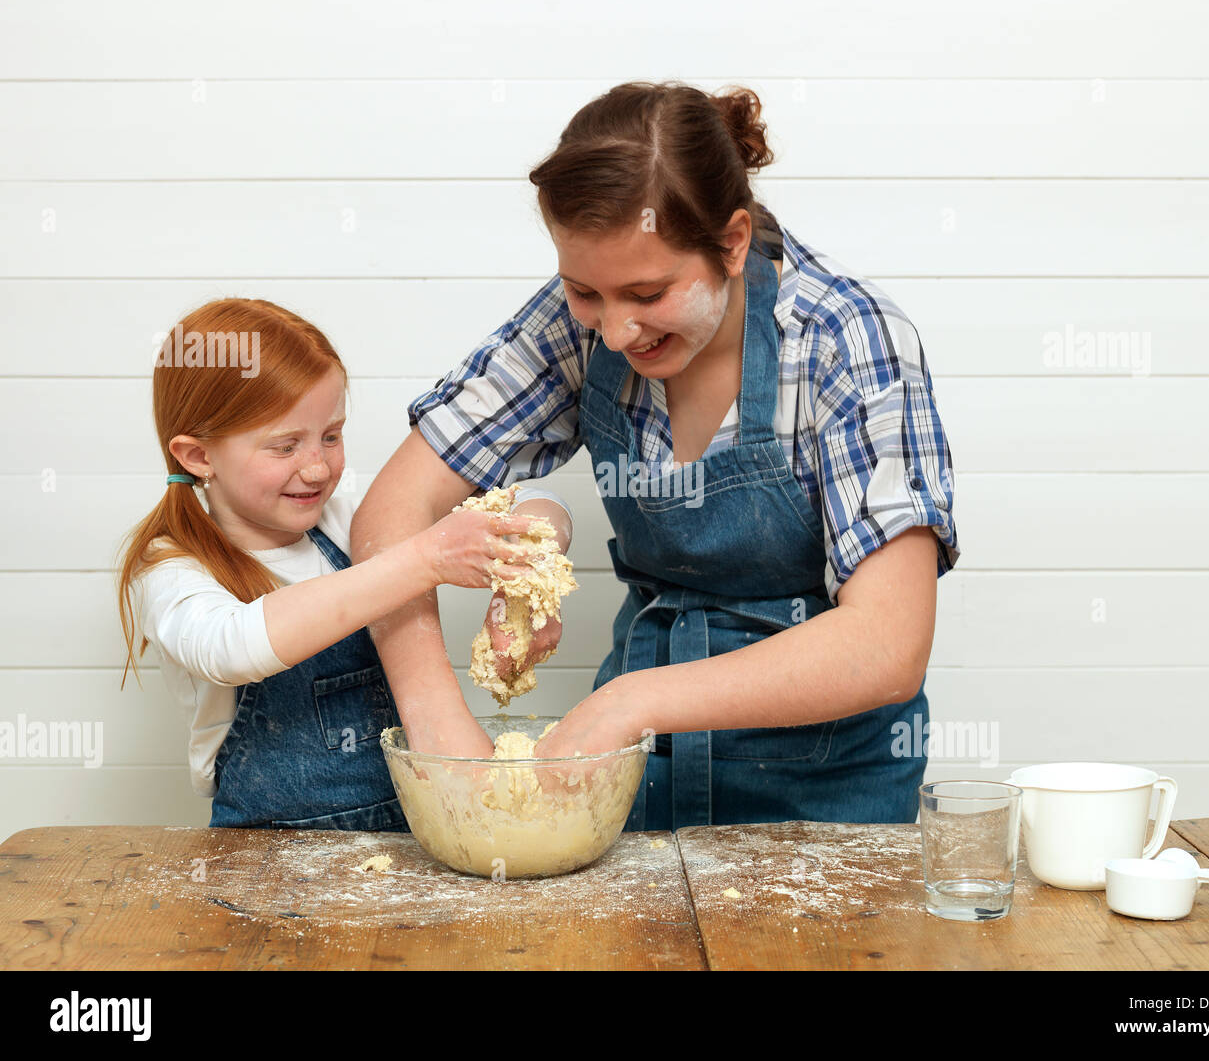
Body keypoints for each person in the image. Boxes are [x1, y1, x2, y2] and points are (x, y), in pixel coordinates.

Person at [353, 82, 960, 831]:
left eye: (647, 292)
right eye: (584, 292)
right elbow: (391, 511)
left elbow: (886, 642)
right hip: (633, 779)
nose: (613, 331)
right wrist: (439, 730)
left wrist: (630, 701)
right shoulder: (583, 318)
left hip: (827, 799)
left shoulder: (848, 339)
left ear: (732, 243)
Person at [116, 297, 565, 829]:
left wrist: (533, 563)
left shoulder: (352, 524)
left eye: (332, 435)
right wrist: (424, 558)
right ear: (199, 457)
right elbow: (232, 647)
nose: (317, 468)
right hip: (265, 854)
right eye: (285, 447)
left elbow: (536, 500)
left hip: (413, 833)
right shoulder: (170, 566)